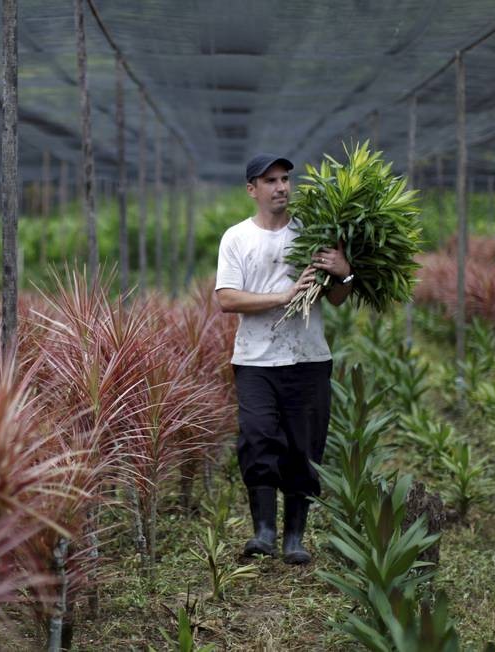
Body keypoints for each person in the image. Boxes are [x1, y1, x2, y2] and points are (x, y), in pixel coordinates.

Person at [214, 154, 353, 565]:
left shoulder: (314, 235)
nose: (281, 187)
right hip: (255, 360)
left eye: (286, 179)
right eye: (270, 180)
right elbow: (226, 299)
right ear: (251, 189)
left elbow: (338, 298)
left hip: (308, 358)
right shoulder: (236, 238)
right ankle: (264, 532)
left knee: (304, 446)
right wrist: (284, 296)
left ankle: (295, 537)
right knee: (257, 439)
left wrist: (345, 272)